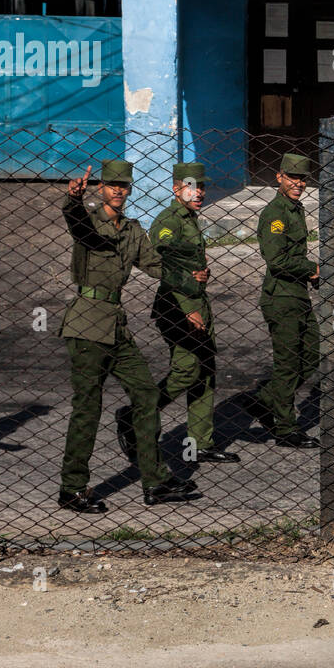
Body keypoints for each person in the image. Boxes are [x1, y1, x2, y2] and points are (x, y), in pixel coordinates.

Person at [58, 160, 199, 512]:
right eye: (111, 184)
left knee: (147, 396)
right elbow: (78, 227)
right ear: (101, 188)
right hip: (86, 325)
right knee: (88, 408)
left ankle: (155, 482)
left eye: (123, 185)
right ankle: (72, 488)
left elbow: (153, 265)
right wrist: (73, 199)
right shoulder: (89, 220)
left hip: (117, 326)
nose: (118, 190)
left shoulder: (132, 230)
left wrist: (187, 278)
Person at [130, 161, 237, 465]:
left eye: (202, 186)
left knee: (204, 371)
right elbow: (166, 266)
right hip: (177, 306)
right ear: (176, 188)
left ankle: (199, 443)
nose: (199, 191)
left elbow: (188, 265)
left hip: (196, 302)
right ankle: (137, 413)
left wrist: (201, 274)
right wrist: (189, 308)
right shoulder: (168, 221)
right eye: (192, 186)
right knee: (186, 370)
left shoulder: (189, 218)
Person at [252, 152, 320, 448]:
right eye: (292, 177)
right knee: (287, 364)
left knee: (312, 354)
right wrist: (311, 269)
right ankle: (286, 428)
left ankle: (266, 399)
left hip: (297, 295)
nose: (298, 183)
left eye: (303, 178)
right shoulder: (276, 213)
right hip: (280, 296)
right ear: (279, 176)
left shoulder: (295, 209)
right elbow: (277, 260)